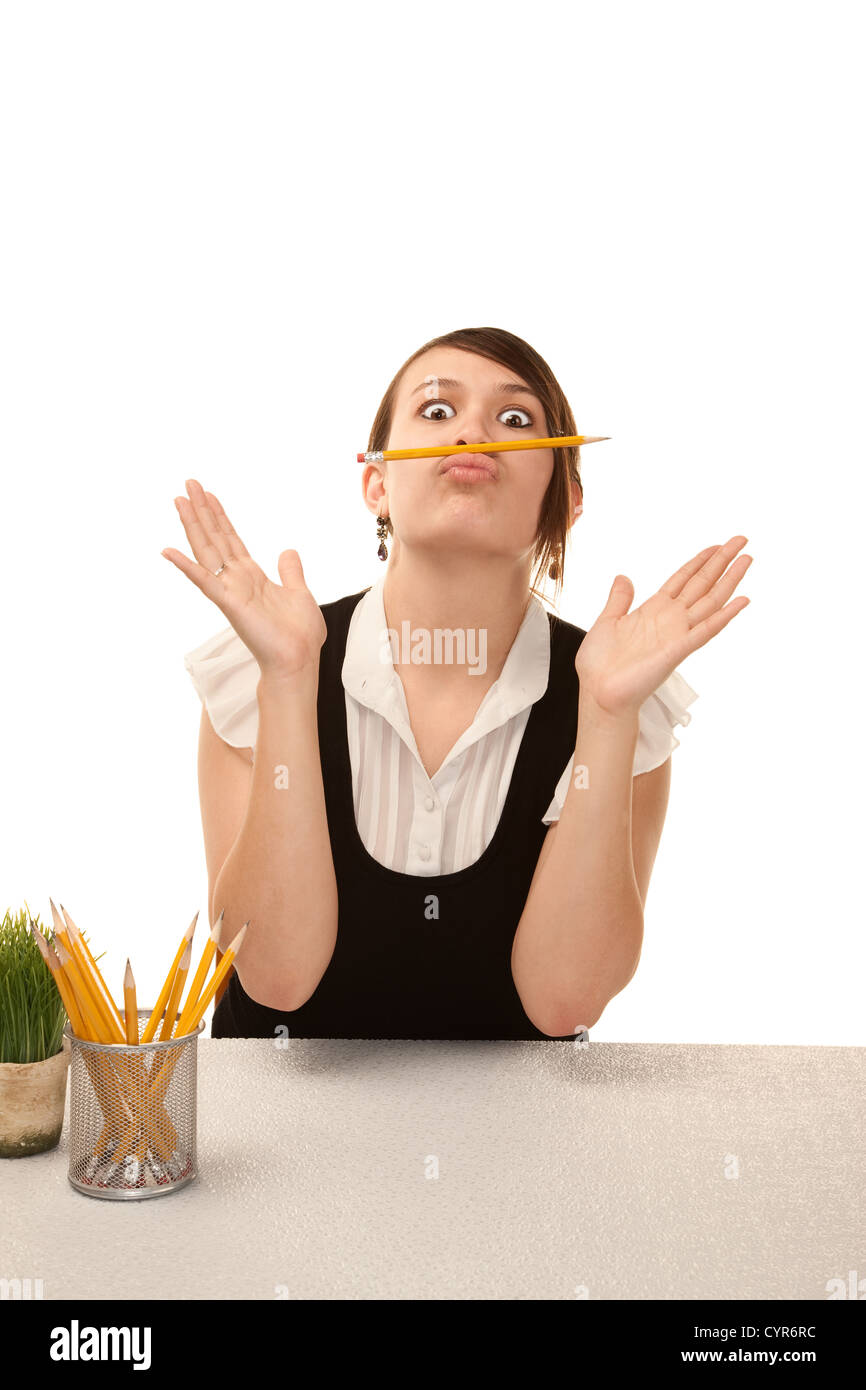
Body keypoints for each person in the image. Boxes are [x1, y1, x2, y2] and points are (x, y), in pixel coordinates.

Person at [162, 326, 751, 1041]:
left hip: (517, 1145)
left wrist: (604, 716)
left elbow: (564, 1002)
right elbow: (275, 978)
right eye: (437, 412)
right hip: (268, 1143)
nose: (473, 432)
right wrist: (288, 684)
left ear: (564, 499)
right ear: (377, 482)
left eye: (515, 420)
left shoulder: (624, 697)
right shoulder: (257, 668)